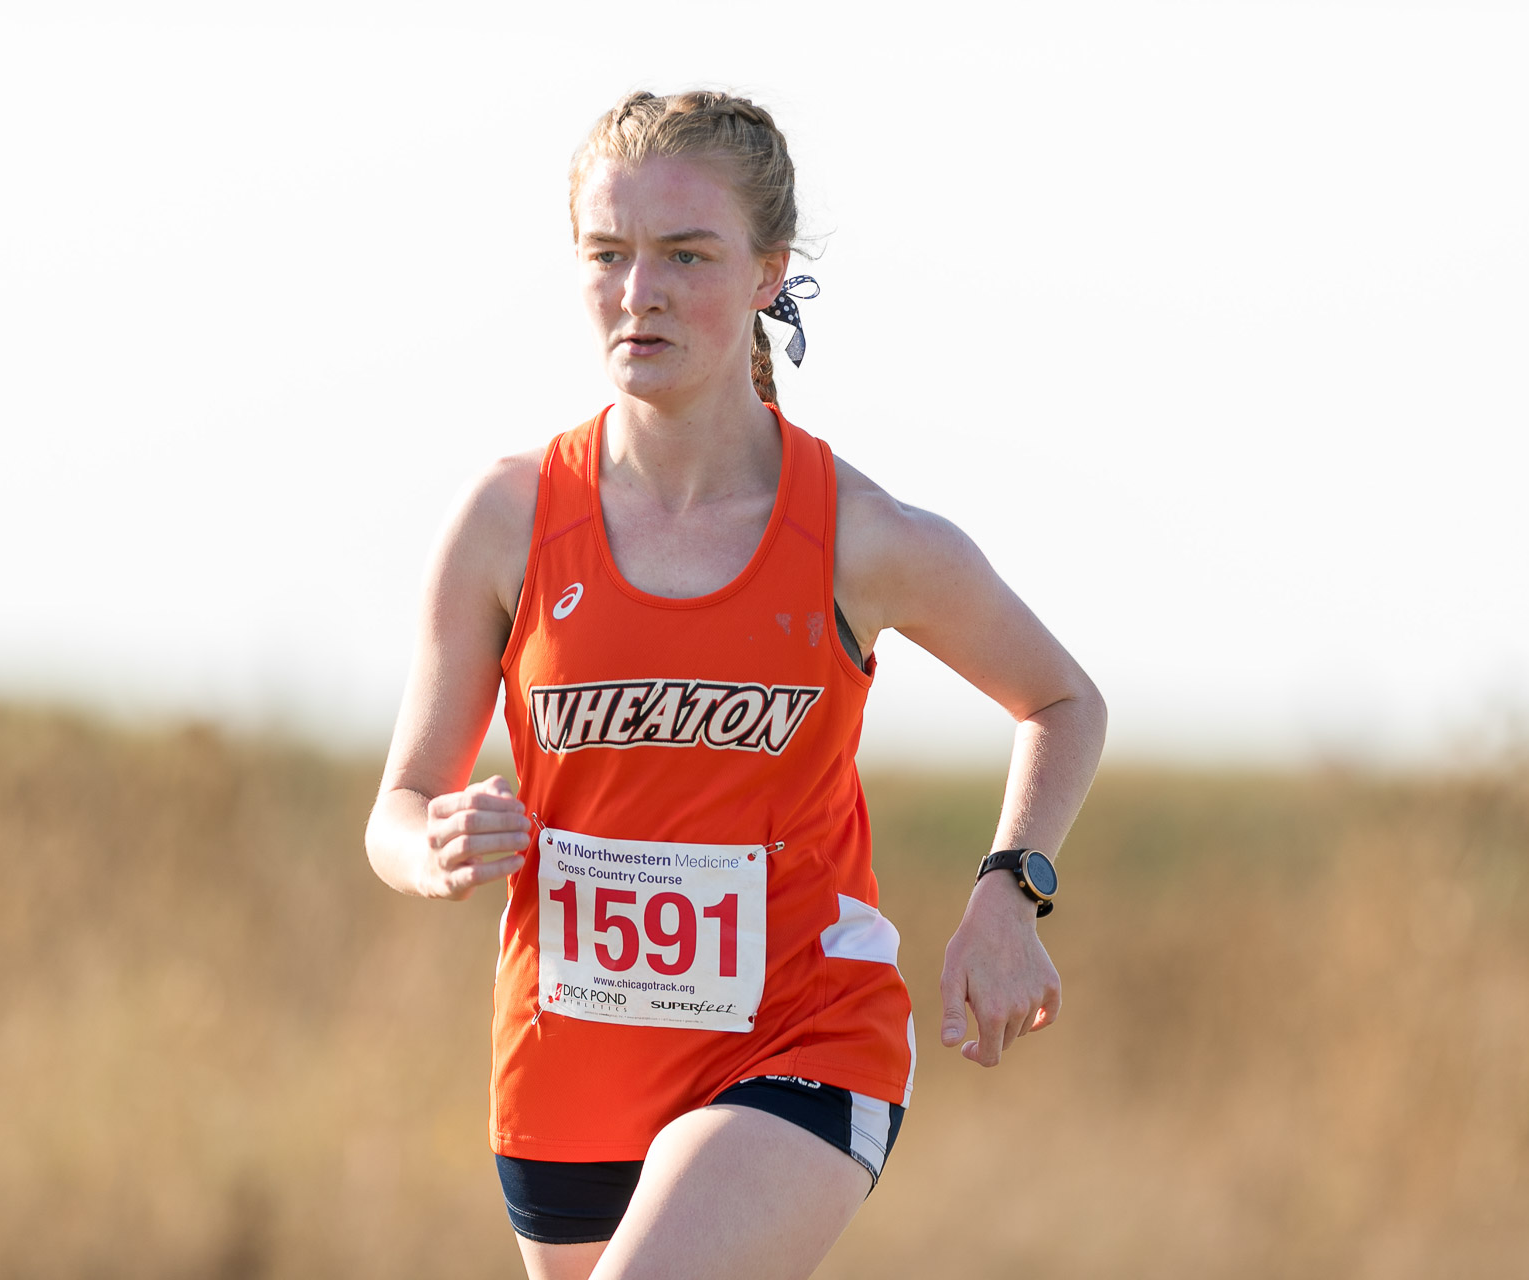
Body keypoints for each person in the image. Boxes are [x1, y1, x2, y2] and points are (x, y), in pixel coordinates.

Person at [365, 89, 1106, 1280]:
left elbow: (1063, 701)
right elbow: (395, 810)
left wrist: (1011, 892)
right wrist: (435, 844)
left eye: (686, 255)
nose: (639, 291)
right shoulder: (506, 520)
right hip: (568, 1060)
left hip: (801, 1033)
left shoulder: (862, 535)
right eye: (608, 253)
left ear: (768, 273)